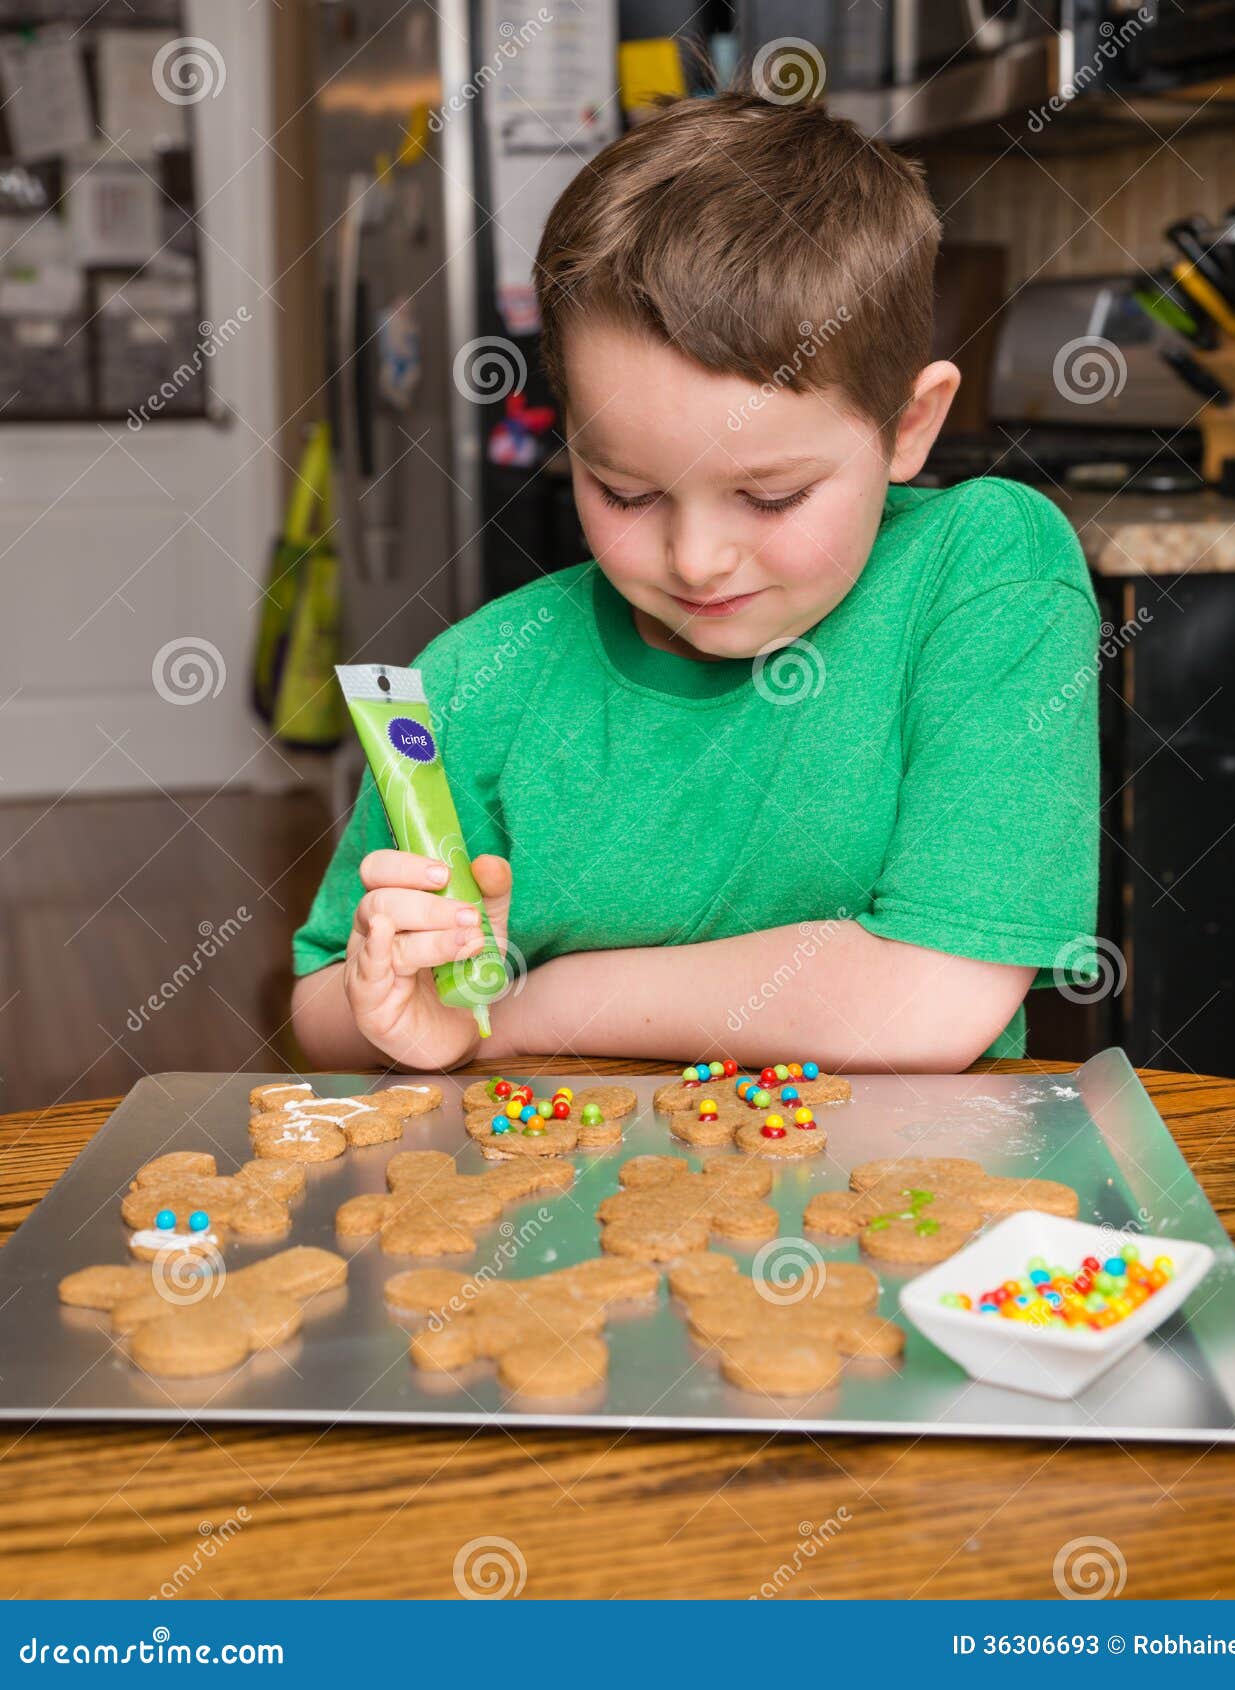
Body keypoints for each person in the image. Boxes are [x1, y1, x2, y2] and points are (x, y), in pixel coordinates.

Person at [291, 90, 1099, 1076]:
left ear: (908, 426)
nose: (695, 558)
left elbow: (926, 998)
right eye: (625, 491)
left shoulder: (983, 573)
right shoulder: (470, 683)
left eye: (769, 498)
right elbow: (323, 1009)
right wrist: (396, 998)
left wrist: (524, 1008)